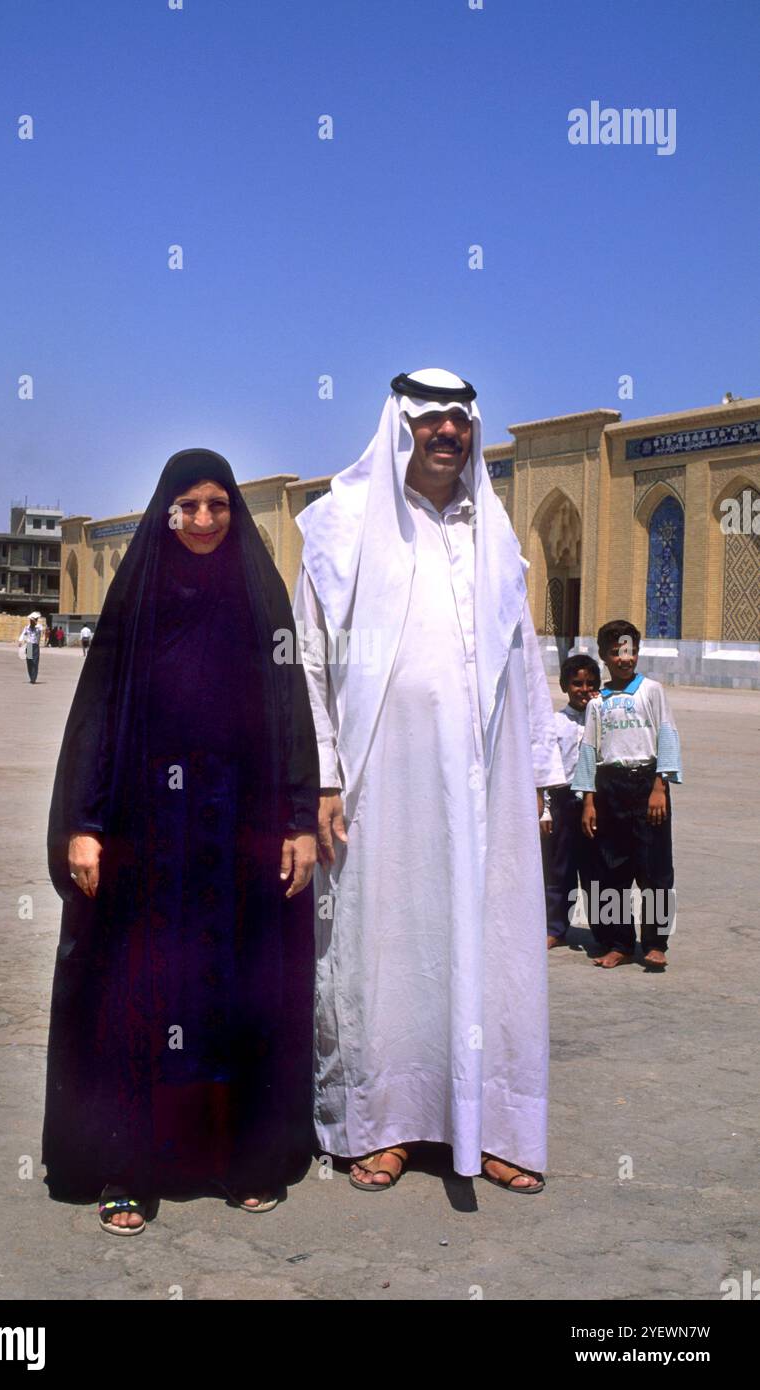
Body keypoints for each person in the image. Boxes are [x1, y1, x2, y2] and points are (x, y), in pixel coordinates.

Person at [292, 368, 565, 1195]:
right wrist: (324, 775)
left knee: (493, 944)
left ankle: (497, 1123)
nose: (448, 432)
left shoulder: (497, 537)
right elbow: (309, 661)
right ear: (401, 425)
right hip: (383, 785)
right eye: (431, 419)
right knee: (385, 947)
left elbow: (526, 660)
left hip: (490, 783)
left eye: (460, 420)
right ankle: (383, 1123)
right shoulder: (343, 531)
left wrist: (543, 772)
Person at [43, 449, 320, 1233]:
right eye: (187, 506)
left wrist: (300, 820)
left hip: (235, 835)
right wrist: (86, 826)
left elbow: (293, 716)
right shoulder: (138, 603)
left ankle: (237, 1160)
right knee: (139, 995)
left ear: (234, 514)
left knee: (231, 994)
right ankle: (127, 1168)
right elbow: (97, 717)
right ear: (166, 513)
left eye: (217, 506)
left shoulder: (260, 603)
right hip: (145, 837)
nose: (202, 520)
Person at [571, 619, 683, 970]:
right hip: (610, 788)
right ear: (605, 655)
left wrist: (660, 786)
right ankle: (619, 942)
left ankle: (655, 943)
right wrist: (588, 800)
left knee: (655, 871)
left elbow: (666, 734)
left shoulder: (651, 690)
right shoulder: (598, 703)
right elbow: (590, 750)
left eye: (630, 651)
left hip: (646, 785)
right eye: (617, 652)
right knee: (612, 871)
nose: (625, 659)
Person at [540, 655, 601, 949]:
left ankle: (605, 932)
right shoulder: (555, 723)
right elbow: (547, 769)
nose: (583, 689)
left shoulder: (602, 719)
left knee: (596, 870)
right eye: (577, 683)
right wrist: (547, 810)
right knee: (558, 869)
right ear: (565, 686)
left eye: (590, 683)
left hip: (594, 804)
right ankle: (556, 927)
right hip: (564, 803)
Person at [18, 612, 43, 683]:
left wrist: (35, 621)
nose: (31, 622)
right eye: (30, 621)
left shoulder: (39, 627)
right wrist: (20, 641)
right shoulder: (27, 628)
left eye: (33, 620)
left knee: (35, 662)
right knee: (29, 662)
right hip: (29, 646)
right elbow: (23, 634)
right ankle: (31, 677)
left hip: (35, 646)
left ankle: (33, 679)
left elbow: (41, 629)